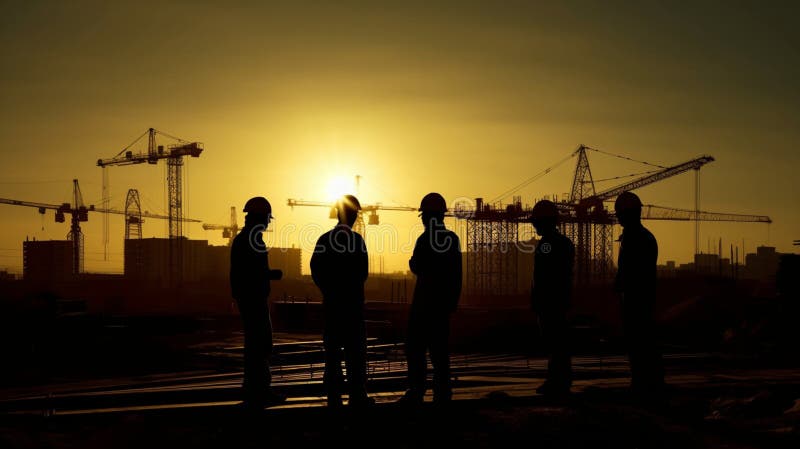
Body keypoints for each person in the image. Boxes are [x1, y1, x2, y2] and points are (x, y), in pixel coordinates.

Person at [310, 195, 374, 409]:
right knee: (355, 352)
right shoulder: (356, 241)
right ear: (354, 214)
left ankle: (334, 396)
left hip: (334, 306)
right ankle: (357, 395)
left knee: (333, 352)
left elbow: (316, 270)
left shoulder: (325, 239)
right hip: (352, 307)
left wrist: (329, 291)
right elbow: (363, 273)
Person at [399, 193, 462, 406]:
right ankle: (443, 390)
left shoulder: (425, 239)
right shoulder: (452, 239)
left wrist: (412, 262)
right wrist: (452, 301)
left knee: (416, 348)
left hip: (424, 304)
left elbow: (416, 266)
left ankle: (417, 390)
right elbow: (457, 273)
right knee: (440, 350)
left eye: (424, 215)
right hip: (442, 305)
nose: (423, 219)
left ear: (428, 216)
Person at [230, 196, 285, 409]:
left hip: (250, 298)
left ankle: (256, 389)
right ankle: (259, 390)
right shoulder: (250, 240)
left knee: (257, 345)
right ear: (260, 217)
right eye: (267, 218)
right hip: (253, 299)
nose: (269, 222)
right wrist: (272, 274)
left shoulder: (245, 239)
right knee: (260, 345)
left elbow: (241, 273)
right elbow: (250, 272)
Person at [614, 191, 665, 397]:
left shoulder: (636, 239)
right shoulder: (642, 237)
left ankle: (644, 384)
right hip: (640, 298)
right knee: (643, 343)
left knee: (640, 343)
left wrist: (621, 285)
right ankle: (648, 382)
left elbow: (632, 271)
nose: (617, 218)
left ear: (627, 214)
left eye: (619, 214)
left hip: (637, 299)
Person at [530, 199, 574, 397]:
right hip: (560, 299)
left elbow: (543, 275)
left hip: (549, 301)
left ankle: (557, 381)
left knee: (555, 343)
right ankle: (561, 379)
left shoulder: (547, 245)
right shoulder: (564, 243)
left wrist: (537, 300)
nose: (534, 225)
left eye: (536, 222)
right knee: (560, 343)